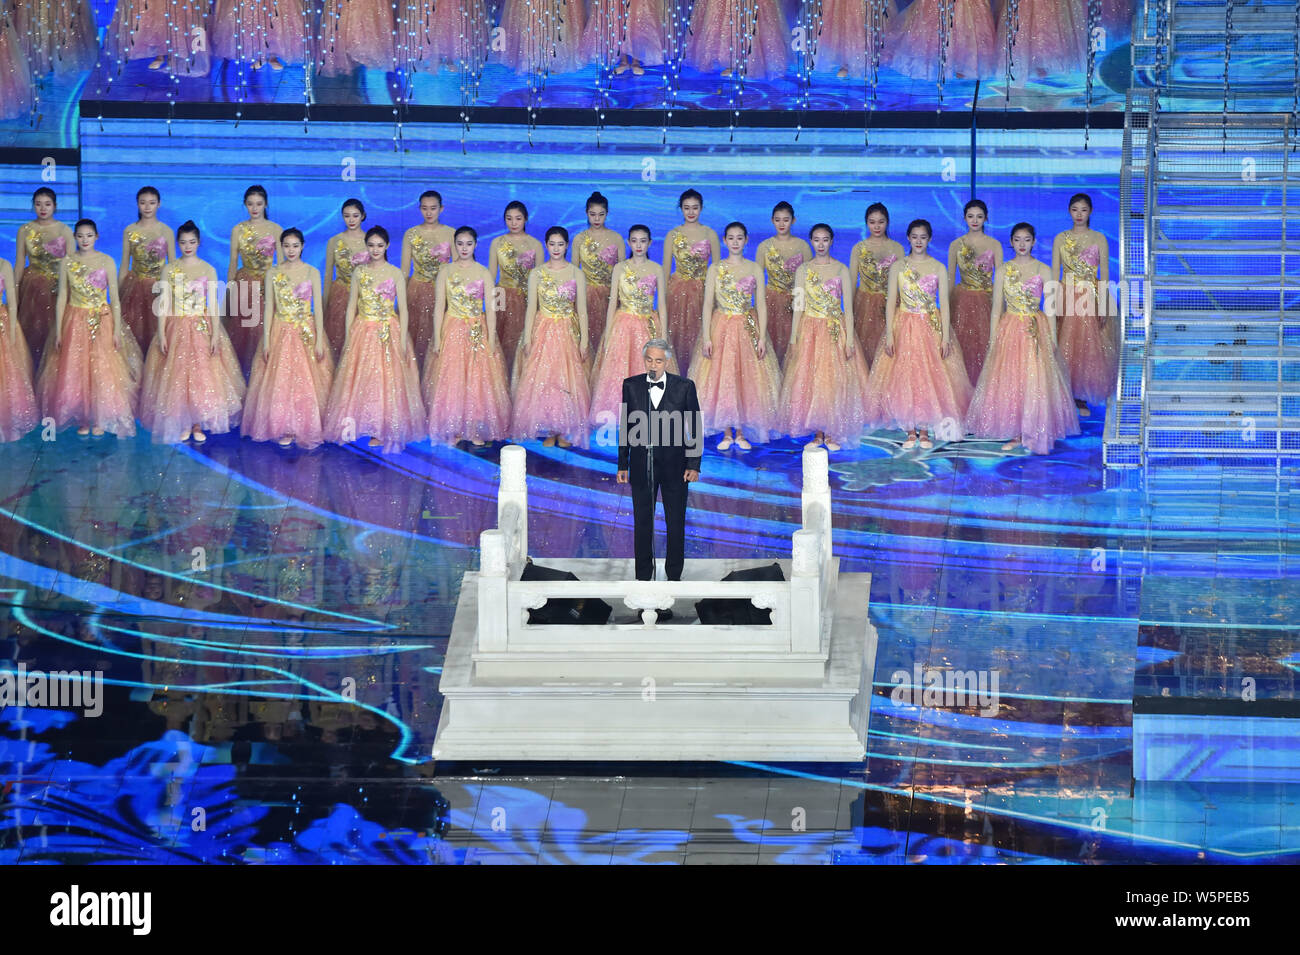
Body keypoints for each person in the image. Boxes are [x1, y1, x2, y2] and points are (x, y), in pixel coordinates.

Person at [617, 340, 701, 595]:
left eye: (659, 361)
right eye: (649, 360)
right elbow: (626, 426)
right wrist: (623, 463)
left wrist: (694, 464)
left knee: (676, 522)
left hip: (676, 467)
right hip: (643, 465)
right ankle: (643, 578)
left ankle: (674, 578)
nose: (653, 365)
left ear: (667, 362)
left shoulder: (684, 387)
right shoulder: (631, 385)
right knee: (643, 522)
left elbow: (694, 427)